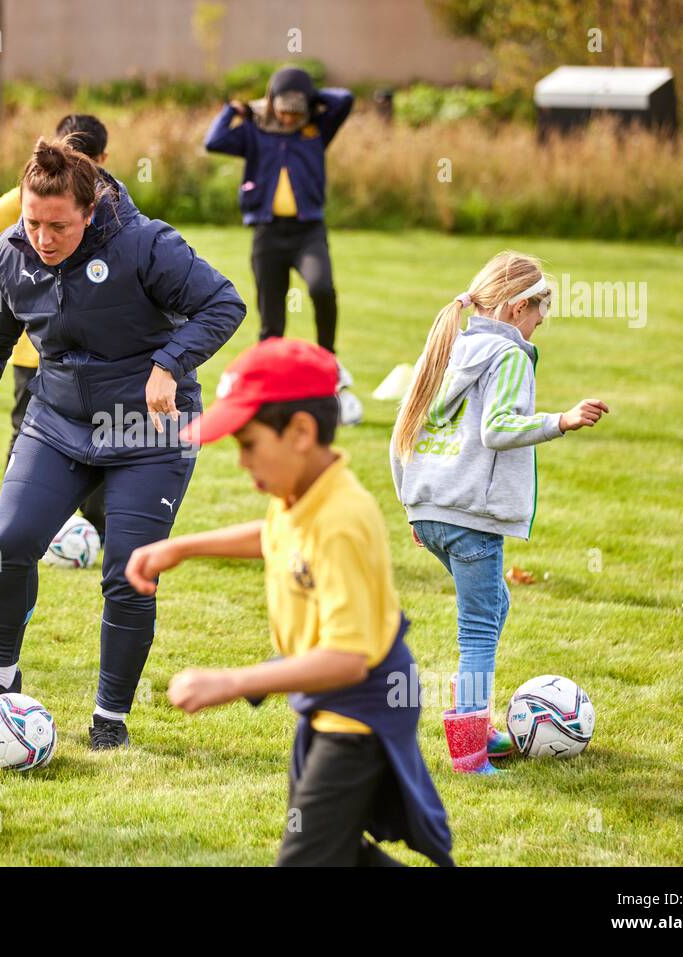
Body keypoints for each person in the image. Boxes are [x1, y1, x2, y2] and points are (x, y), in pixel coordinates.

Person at [0, 135, 245, 749]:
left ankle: (111, 718)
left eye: (59, 226)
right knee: (11, 539)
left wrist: (169, 363)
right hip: (58, 419)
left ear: (91, 209)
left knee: (129, 572)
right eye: (32, 222)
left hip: (148, 430)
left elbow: (223, 302)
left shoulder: (146, 244)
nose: (43, 239)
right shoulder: (11, 254)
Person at [124, 337, 453, 866]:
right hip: (328, 699)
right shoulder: (302, 495)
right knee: (337, 852)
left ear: (300, 432)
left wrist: (231, 682)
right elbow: (275, 534)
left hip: (358, 710)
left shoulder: (342, 519)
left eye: (249, 444)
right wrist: (182, 547)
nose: (241, 462)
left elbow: (347, 660)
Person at [390, 251, 608, 774]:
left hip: (431, 511)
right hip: (470, 517)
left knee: (493, 606)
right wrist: (561, 420)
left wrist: (412, 506)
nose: (539, 327)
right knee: (480, 627)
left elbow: (400, 437)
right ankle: (469, 752)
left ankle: (478, 724)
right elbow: (498, 429)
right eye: (538, 315)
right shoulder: (509, 357)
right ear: (516, 307)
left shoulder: (444, 349)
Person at [0, 114, 108, 540]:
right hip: (32, 351)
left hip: (91, 357)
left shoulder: (109, 212)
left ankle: (92, 525)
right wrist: (19, 292)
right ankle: (2, 515)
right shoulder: (29, 198)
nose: (44, 234)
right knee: (29, 435)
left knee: (98, 435)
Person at [204, 66, 353, 379]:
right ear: (272, 104)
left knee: (321, 288)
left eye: (295, 113)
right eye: (283, 110)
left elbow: (345, 99)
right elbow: (214, 141)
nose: (288, 119)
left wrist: (309, 95)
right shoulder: (254, 129)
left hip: (307, 233)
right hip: (268, 233)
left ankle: (329, 361)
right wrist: (233, 109)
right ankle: (272, 377)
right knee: (271, 319)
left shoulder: (318, 128)